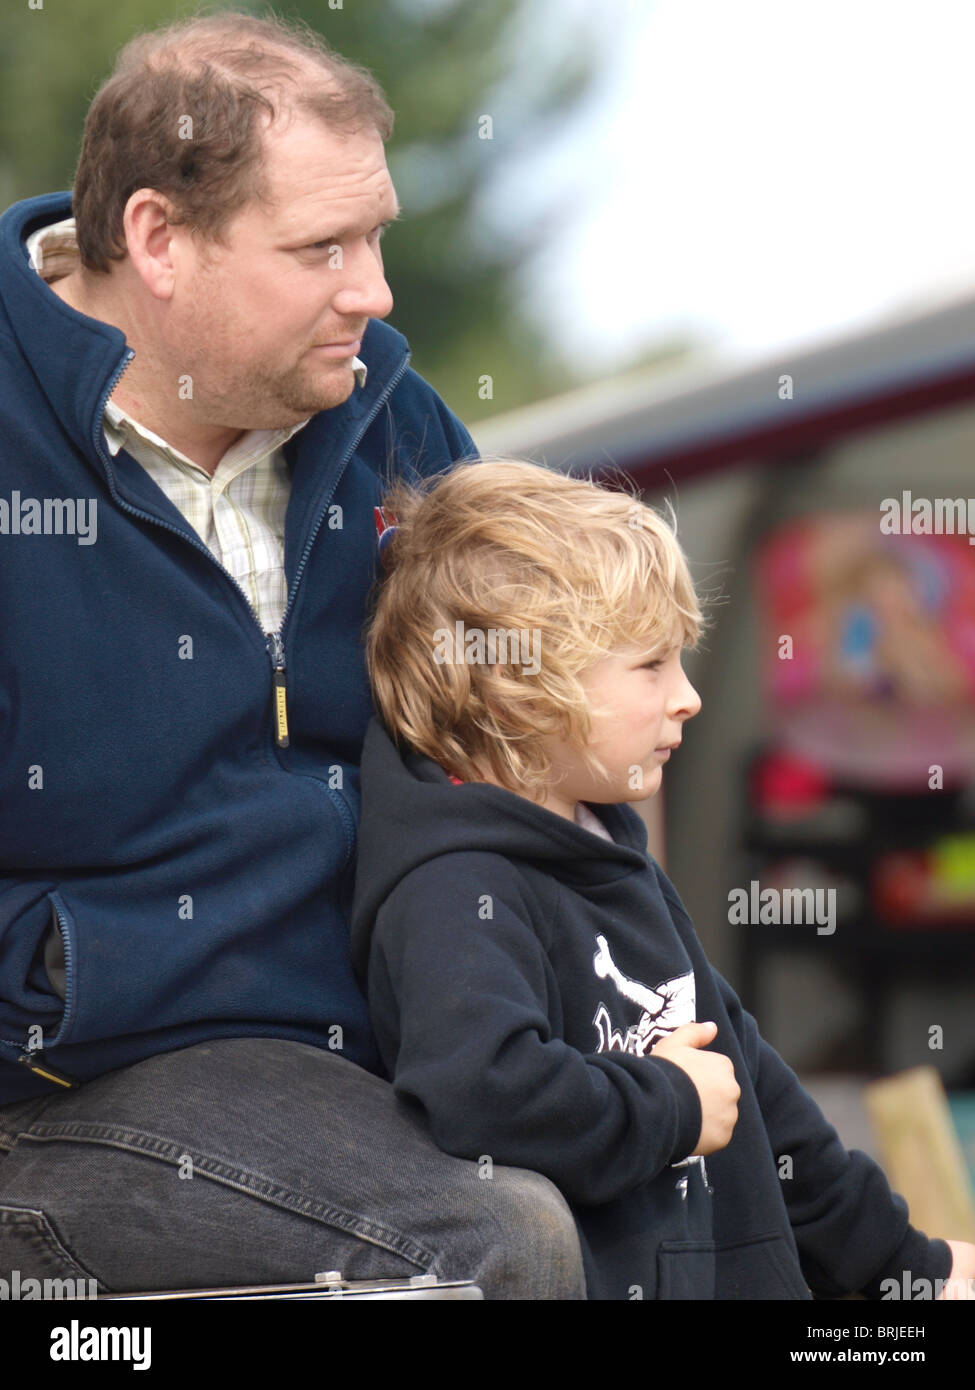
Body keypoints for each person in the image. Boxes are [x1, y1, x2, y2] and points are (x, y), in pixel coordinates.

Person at [0, 12, 586, 1299]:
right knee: (499, 1238)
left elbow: (537, 745)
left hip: (404, 1042)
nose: (375, 291)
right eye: (323, 247)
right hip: (63, 1094)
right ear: (157, 238)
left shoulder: (393, 417)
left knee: (682, 1171)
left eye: (373, 234)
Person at [351, 457, 975, 1300]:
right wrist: (670, 1107)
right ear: (511, 688)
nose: (687, 697)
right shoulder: (453, 888)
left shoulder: (610, 855)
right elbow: (482, 1094)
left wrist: (910, 1269)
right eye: (649, 666)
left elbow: (760, 1103)